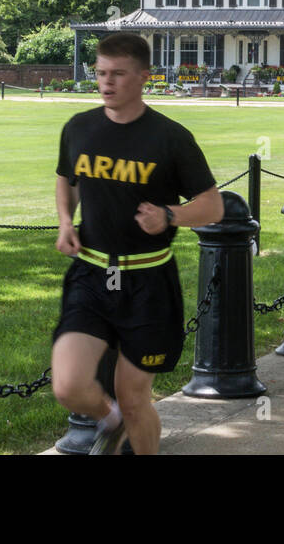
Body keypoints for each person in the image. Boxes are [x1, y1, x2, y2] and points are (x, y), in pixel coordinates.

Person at [50, 32, 224, 454]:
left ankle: (129, 428)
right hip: (93, 274)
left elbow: (213, 206)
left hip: (148, 281)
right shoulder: (79, 128)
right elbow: (65, 177)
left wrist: (170, 216)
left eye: (119, 74)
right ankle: (107, 420)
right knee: (68, 385)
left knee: (133, 398)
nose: (106, 83)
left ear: (144, 77)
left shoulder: (170, 139)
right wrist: (64, 222)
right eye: (101, 73)